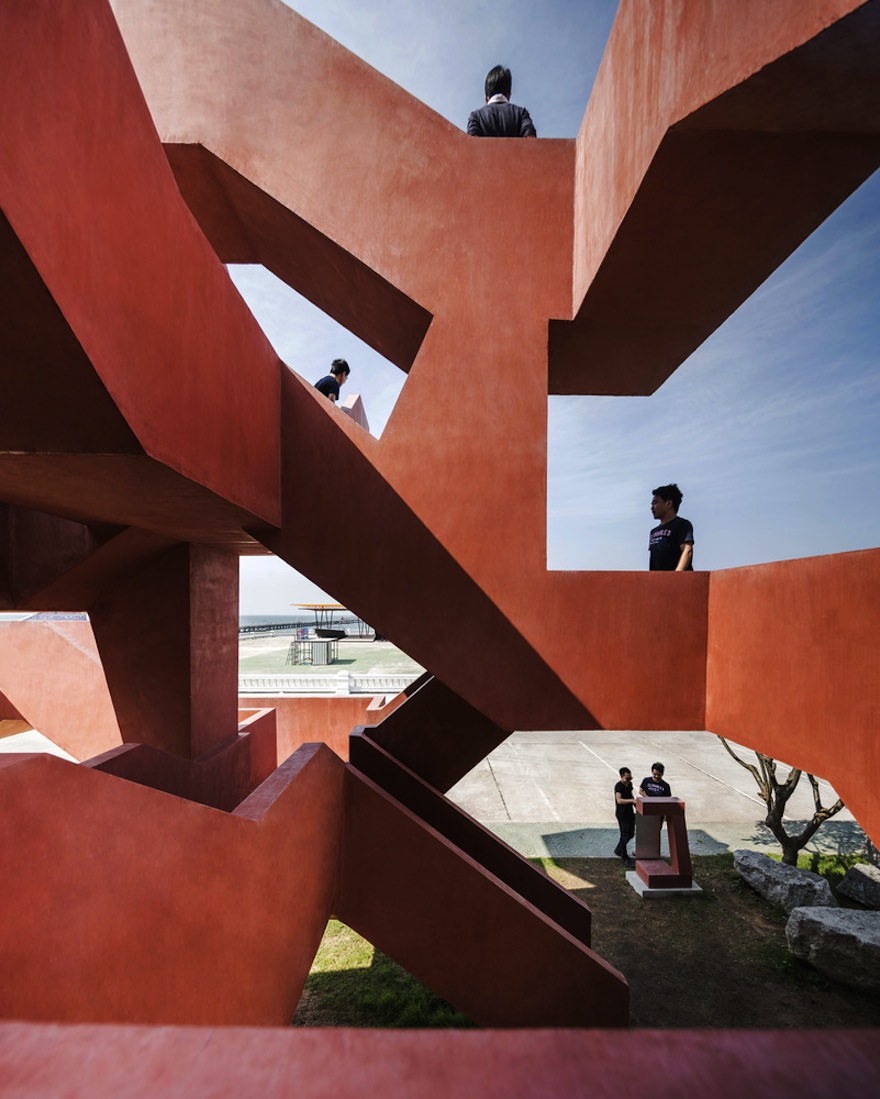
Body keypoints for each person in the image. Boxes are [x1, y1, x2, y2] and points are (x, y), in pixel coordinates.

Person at [467, 65, 536, 138]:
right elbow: (531, 140)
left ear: (486, 99)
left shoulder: (476, 116)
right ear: (509, 95)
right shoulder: (521, 113)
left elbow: (472, 143)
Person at [648, 483, 694, 571]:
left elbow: (687, 550)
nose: (652, 507)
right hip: (658, 582)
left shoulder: (682, 524)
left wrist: (676, 576)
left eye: (655, 502)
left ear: (669, 503)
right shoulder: (653, 532)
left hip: (678, 581)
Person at [613, 767, 636, 866]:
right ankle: (624, 857)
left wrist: (635, 803)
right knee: (624, 835)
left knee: (631, 834)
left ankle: (619, 849)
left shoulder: (629, 784)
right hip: (622, 814)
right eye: (627, 778)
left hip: (630, 813)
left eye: (630, 778)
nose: (628, 780)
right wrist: (631, 801)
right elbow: (619, 800)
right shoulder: (619, 786)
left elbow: (630, 794)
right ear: (621, 777)